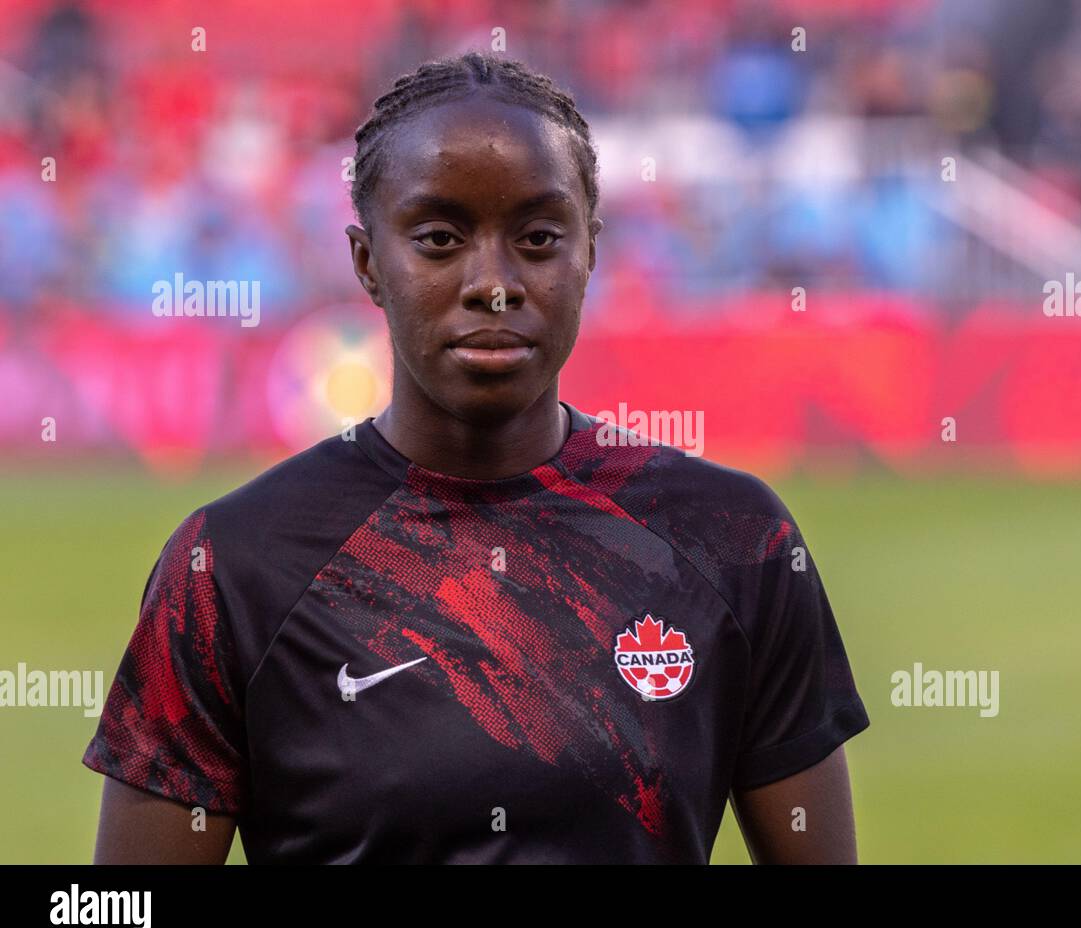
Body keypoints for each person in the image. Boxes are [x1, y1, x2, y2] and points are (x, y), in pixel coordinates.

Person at [83, 51, 870, 864]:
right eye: (438, 239)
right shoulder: (229, 567)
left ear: (588, 252)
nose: (492, 284)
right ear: (367, 262)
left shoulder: (735, 540)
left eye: (536, 237)